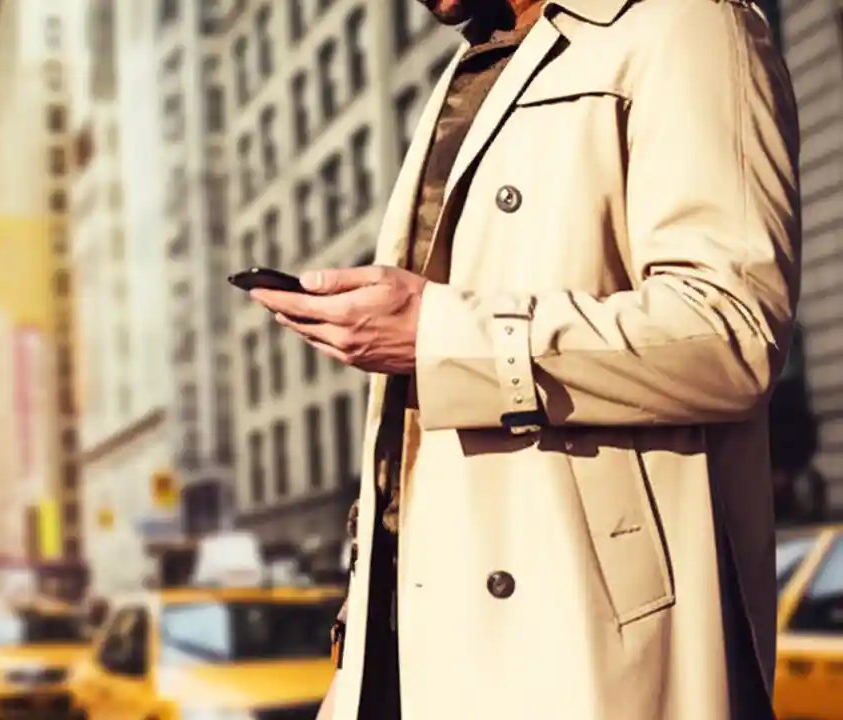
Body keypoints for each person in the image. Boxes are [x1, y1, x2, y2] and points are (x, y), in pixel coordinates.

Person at [245, 0, 800, 716]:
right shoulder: (474, 66)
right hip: (423, 645)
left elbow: (733, 330)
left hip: (583, 653)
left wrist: (441, 336)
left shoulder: (686, 20)